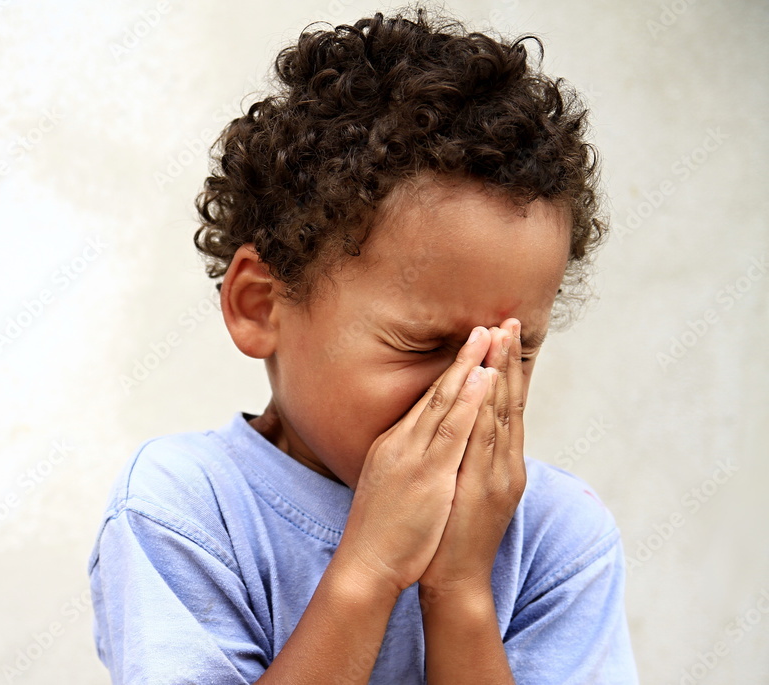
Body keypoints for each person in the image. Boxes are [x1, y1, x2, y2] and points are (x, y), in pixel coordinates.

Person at [88, 5, 638, 683]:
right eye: (422, 343)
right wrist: (370, 570)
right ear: (261, 305)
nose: (472, 386)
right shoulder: (186, 509)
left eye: (513, 352)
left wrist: (461, 590)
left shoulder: (559, 538)